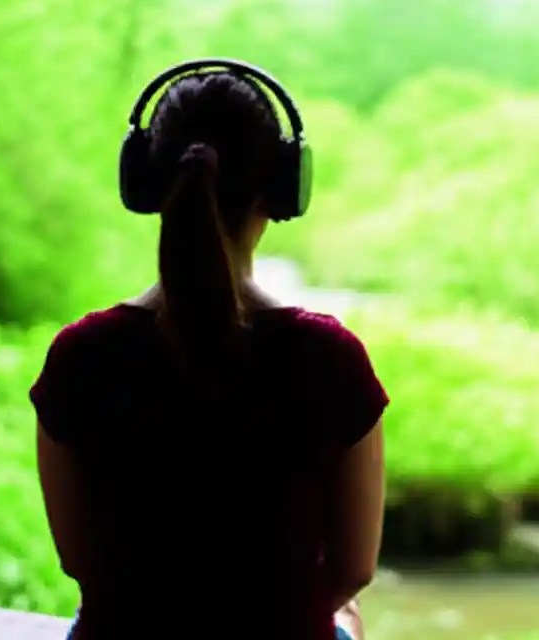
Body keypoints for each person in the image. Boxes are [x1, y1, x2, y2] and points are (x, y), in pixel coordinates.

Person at [30, 59, 389, 640]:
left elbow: (81, 563)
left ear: (146, 183)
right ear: (283, 188)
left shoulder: (81, 355)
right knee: (348, 621)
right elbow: (354, 570)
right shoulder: (330, 358)